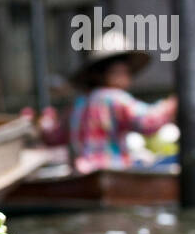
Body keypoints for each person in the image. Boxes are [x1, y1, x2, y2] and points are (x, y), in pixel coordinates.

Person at [66, 30, 176, 174]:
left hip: (81, 173)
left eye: (126, 72)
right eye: (119, 72)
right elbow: (147, 120)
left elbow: (55, 134)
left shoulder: (80, 103)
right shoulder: (111, 98)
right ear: (101, 74)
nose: (125, 77)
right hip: (109, 173)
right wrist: (173, 105)